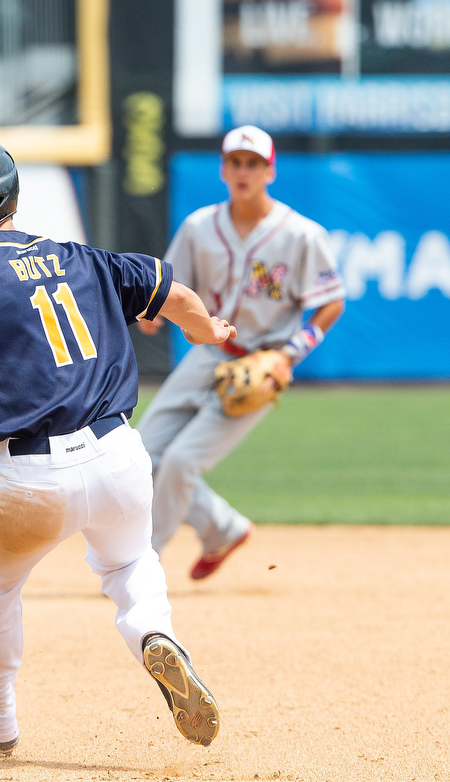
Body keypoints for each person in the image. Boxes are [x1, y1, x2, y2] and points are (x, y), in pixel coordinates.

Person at [0, 134, 237, 755]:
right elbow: (168, 291)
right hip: (121, 457)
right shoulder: (81, 256)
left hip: (28, 478)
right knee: (130, 564)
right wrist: (207, 330)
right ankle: (155, 635)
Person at [135, 125, 346, 580]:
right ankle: (224, 528)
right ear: (223, 169)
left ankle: (143, 564)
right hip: (208, 354)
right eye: (236, 163)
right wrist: (147, 315)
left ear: (270, 171)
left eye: (253, 163)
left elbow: (331, 301)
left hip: (261, 363)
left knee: (182, 461)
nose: (243, 172)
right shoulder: (199, 227)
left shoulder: (300, 235)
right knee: (141, 454)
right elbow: (170, 289)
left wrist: (288, 355)